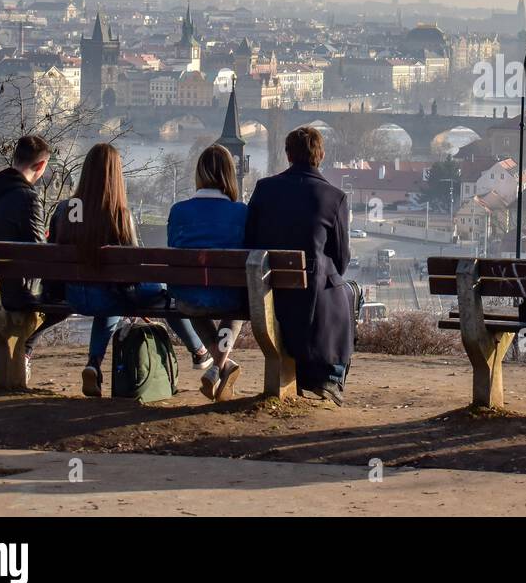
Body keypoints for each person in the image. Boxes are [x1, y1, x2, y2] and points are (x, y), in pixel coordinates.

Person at [49, 143, 211, 397]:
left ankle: (94, 364)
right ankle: (199, 351)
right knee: (161, 294)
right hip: (107, 295)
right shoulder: (119, 215)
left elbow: (53, 257)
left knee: (108, 297)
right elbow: (134, 270)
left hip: (75, 295)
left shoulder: (65, 210)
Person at [244, 126, 354, 404]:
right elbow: (341, 260)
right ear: (321, 155)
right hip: (311, 298)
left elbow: (249, 241)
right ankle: (331, 375)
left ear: (288, 154)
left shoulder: (264, 188)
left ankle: (320, 375)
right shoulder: (334, 197)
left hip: (267, 292)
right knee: (349, 292)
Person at [0, 135, 67, 383]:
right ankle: (27, 352)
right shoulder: (28, 198)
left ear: (15, 157)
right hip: (16, 295)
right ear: (41, 166)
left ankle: (25, 354)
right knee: (68, 295)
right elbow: (39, 256)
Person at [167, 145, 247, 401]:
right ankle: (218, 366)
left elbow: (173, 248)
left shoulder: (179, 211)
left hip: (188, 298)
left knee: (195, 301)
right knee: (236, 306)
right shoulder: (241, 212)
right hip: (230, 299)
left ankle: (217, 365)